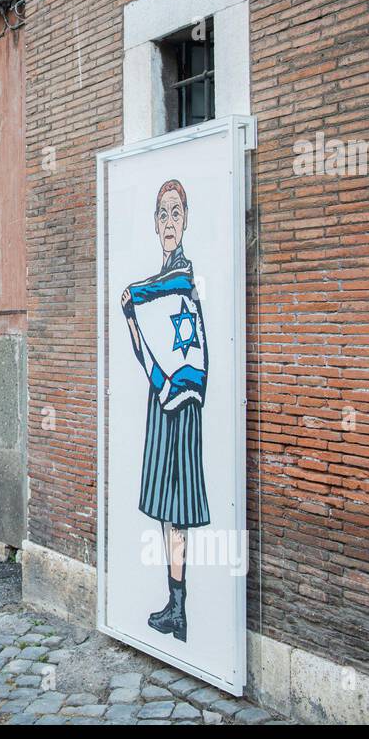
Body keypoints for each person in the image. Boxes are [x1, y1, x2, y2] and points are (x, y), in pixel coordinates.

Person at [119, 178, 209, 643]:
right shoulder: (160, 284)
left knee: (178, 505)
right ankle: (175, 603)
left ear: (185, 220)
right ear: (155, 224)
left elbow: (165, 290)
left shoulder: (180, 276)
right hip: (163, 398)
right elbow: (143, 344)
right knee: (164, 506)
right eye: (163, 214)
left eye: (176, 212)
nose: (169, 222)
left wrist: (132, 297)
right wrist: (131, 316)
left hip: (182, 400)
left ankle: (180, 605)